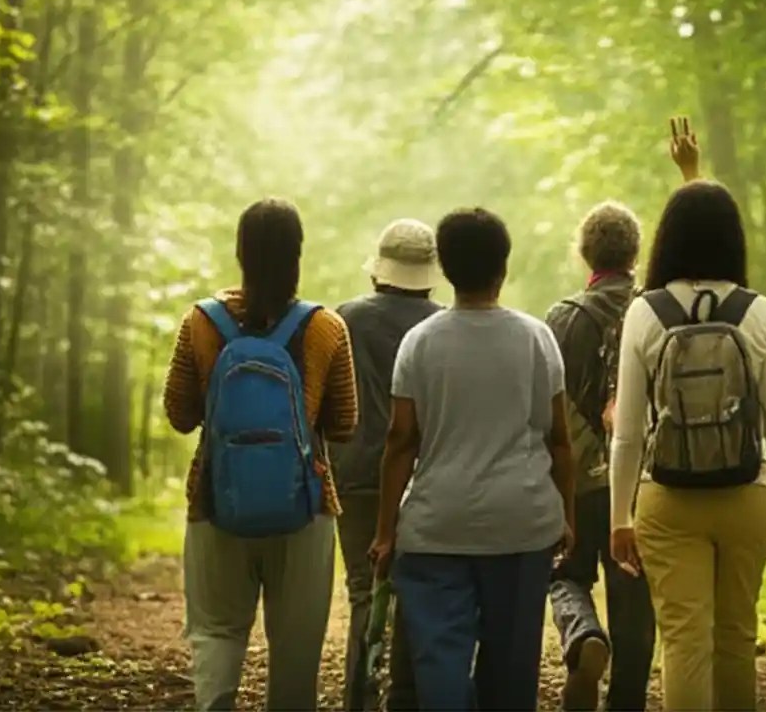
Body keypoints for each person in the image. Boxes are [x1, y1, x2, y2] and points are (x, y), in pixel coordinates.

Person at [608, 119, 766, 712]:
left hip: (666, 497)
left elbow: (627, 432)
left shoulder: (644, 314)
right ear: (736, 239)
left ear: (665, 239)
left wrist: (619, 516)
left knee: (684, 644)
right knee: (736, 638)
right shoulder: (761, 315)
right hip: (748, 492)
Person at [369, 207, 577, 711]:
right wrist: (566, 516)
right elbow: (561, 441)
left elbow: (401, 441)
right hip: (521, 525)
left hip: (435, 526)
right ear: (502, 269)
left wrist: (384, 531)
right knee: (512, 664)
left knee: (439, 659)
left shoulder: (420, 343)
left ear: (446, 271)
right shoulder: (535, 338)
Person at [163, 198, 358, 711]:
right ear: (297, 254)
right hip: (306, 507)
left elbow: (180, 415)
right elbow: (344, 425)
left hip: (215, 501)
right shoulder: (326, 327)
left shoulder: (200, 323)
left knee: (218, 631)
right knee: (296, 648)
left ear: (240, 253)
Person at [545, 201, 655, 711]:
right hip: (641, 483)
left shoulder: (561, 318)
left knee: (566, 574)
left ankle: (583, 634)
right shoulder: (653, 310)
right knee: (634, 595)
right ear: (635, 253)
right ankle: (626, 702)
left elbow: (546, 409)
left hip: (579, 480)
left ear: (584, 253)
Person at [331, 219, 442, 711]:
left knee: (363, 589)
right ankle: (407, 697)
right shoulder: (442, 323)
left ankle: (359, 697)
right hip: (426, 478)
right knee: (418, 591)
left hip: (355, 474)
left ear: (379, 271)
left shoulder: (345, 319)